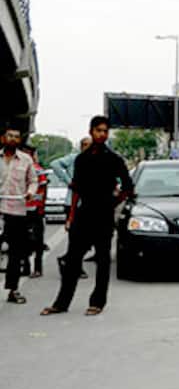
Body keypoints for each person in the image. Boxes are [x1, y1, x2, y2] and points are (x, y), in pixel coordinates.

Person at [41, 115, 133, 316]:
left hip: (104, 216)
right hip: (83, 215)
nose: (102, 134)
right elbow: (76, 191)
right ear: (91, 131)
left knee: (102, 261)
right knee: (73, 260)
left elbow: (127, 187)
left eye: (105, 131)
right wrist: (71, 216)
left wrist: (113, 202)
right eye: (98, 130)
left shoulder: (114, 159)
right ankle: (61, 303)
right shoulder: (82, 159)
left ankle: (97, 302)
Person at [0, 126, 38, 304]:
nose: (13, 139)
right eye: (10, 136)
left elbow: (33, 181)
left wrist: (30, 192)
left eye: (16, 137)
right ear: (3, 139)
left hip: (16, 210)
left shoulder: (26, 160)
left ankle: (13, 290)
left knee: (15, 253)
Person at [57, 135, 94, 278]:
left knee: (88, 238)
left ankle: (66, 259)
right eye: (85, 144)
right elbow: (55, 164)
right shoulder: (74, 158)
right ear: (81, 146)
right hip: (73, 204)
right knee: (76, 238)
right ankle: (76, 267)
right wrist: (68, 181)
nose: (88, 147)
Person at [22, 145, 48, 277]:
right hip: (20, 209)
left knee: (38, 240)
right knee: (21, 240)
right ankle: (25, 266)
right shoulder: (18, 168)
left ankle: (38, 268)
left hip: (35, 209)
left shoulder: (38, 170)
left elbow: (43, 190)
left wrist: (40, 206)